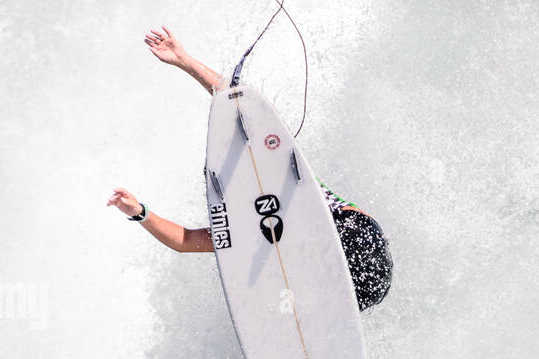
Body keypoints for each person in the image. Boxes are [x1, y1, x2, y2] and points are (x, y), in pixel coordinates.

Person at [107, 26, 393, 310]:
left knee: (291, 262)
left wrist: (185, 61)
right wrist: (139, 213)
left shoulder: (277, 166)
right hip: (338, 277)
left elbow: (235, 103)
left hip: (356, 240)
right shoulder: (242, 228)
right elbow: (186, 241)